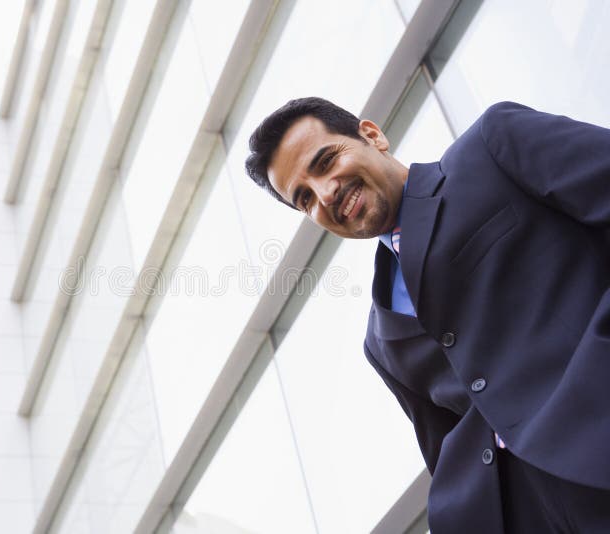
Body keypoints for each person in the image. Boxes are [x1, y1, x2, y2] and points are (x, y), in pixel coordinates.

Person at [245, 97, 610, 532]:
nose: (326, 194)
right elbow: (447, 449)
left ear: (372, 136)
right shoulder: (379, 341)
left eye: (325, 161)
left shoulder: (491, 146)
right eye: (304, 199)